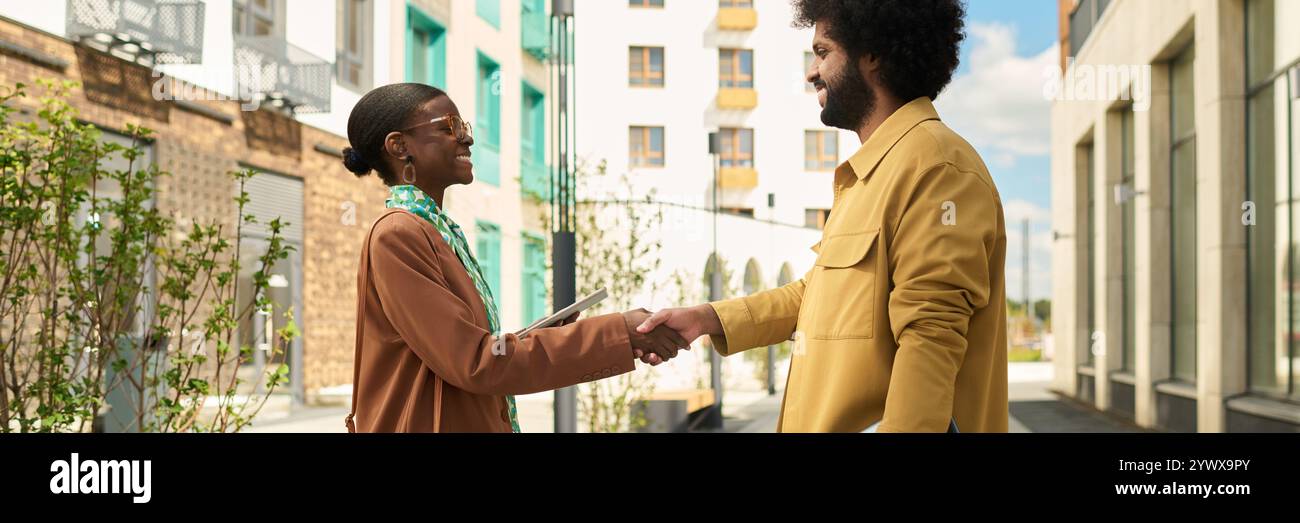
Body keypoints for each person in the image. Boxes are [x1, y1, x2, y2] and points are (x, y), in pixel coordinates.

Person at [637, 0, 1008, 432]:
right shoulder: (874, 173)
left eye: (823, 52)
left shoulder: (937, 168)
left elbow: (931, 340)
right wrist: (707, 318)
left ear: (871, 54)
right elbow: (815, 296)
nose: (811, 72)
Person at [341, 83, 687, 432]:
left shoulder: (436, 230)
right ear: (399, 146)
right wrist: (620, 334)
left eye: (465, 128)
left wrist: (534, 337)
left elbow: (467, 352)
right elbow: (475, 362)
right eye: (450, 126)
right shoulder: (400, 235)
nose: (467, 139)